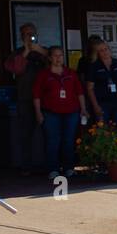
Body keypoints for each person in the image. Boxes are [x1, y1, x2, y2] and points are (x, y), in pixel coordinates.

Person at [33, 46, 86, 181]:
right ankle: (53, 169)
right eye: (55, 56)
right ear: (50, 58)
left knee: (68, 140)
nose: (58, 58)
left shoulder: (71, 73)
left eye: (60, 55)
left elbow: (79, 92)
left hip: (71, 112)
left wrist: (83, 109)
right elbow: (36, 96)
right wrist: (38, 113)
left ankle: (68, 168)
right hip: (51, 112)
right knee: (52, 141)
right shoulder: (43, 75)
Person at [4, 22, 48, 174]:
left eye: (32, 34)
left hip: (46, 98)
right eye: (26, 34)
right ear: (21, 36)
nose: (29, 37)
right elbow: (15, 69)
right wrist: (26, 52)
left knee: (48, 132)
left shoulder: (44, 51)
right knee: (26, 133)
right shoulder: (17, 53)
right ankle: (26, 166)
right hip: (25, 97)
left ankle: (49, 165)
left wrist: (40, 50)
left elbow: (56, 62)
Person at [84, 39, 117, 136]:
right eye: (101, 50)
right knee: (104, 131)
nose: (105, 52)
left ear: (110, 50)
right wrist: (95, 106)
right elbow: (90, 88)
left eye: (106, 49)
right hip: (103, 104)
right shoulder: (94, 67)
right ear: (97, 53)